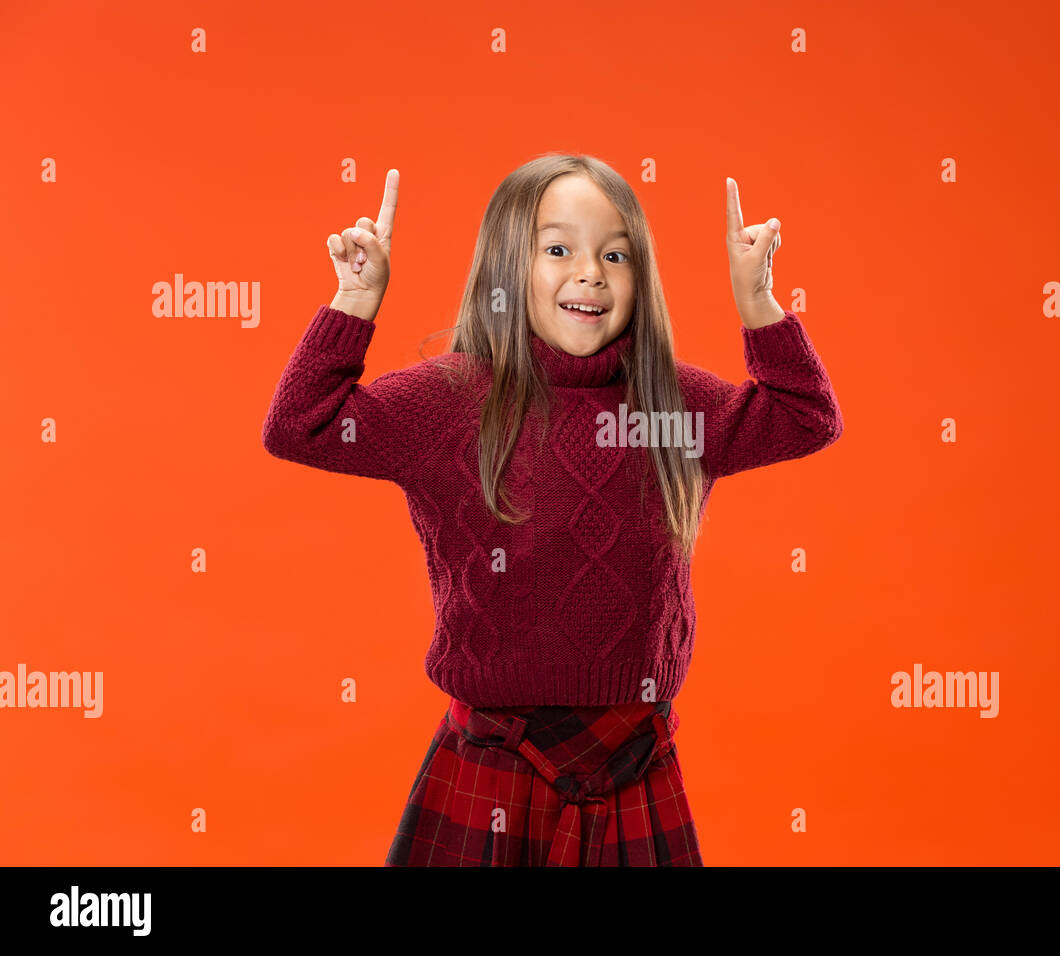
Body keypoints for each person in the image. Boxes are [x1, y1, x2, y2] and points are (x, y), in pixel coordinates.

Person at [261, 155, 844, 866]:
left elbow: (806, 418)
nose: (592, 271)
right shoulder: (450, 402)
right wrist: (354, 300)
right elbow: (300, 425)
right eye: (559, 248)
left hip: (634, 766)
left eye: (616, 253)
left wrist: (759, 304)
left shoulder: (670, 408)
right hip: (493, 767)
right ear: (509, 269)